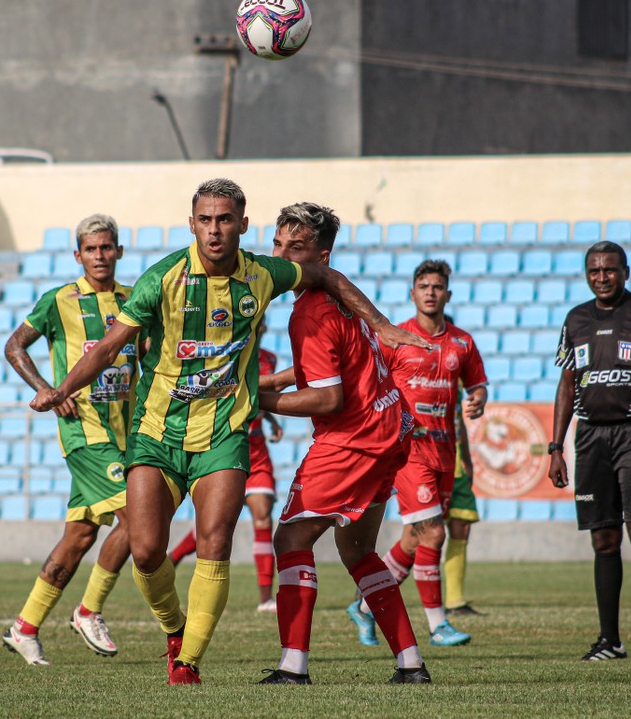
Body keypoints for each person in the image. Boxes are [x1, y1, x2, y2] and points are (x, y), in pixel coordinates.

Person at [29, 179, 427, 685]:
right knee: (149, 549)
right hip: (164, 432)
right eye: (205, 219)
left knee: (247, 541)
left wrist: (381, 324)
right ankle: (178, 628)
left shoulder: (281, 288)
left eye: (225, 220)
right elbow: (107, 349)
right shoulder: (165, 278)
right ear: (192, 223)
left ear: (242, 223)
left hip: (258, 437)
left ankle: (208, 663)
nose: (215, 230)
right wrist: (60, 389)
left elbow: (326, 314)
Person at [256, 202, 430, 686]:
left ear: (322, 256)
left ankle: (293, 667)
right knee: (357, 551)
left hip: (352, 440)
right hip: (390, 429)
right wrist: (269, 382)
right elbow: (325, 369)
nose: (283, 256)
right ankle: (410, 663)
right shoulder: (340, 299)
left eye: (298, 248)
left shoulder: (310, 311)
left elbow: (328, 396)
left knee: (290, 538)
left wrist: (257, 400)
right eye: (278, 244)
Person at [0, 214, 138, 665]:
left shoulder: (133, 300)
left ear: (118, 251)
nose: (100, 256)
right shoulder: (59, 301)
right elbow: (14, 345)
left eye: (107, 247)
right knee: (138, 520)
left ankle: (25, 627)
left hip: (127, 433)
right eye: (91, 249)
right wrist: (45, 388)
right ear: (78, 256)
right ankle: (89, 609)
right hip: (85, 431)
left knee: (79, 537)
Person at [548, 240, 631, 662]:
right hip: (590, 436)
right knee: (603, 537)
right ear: (586, 275)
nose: (601, 278)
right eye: (594, 271)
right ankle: (610, 640)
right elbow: (568, 386)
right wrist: (555, 447)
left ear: (626, 271)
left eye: (609, 270)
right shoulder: (575, 320)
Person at [346, 261, 488, 648]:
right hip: (408, 451)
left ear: (448, 295)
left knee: (414, 538)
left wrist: (477, 400)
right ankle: (438, 624)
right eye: (423, 286)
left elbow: (477, 386)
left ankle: (364, 605)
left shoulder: (463, 342)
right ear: (412, 293)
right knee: (434, 532)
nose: (430, 292)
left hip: (446, 451)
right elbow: (370, 383)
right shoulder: (395, 339)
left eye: (437, 286)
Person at [168, 317, 283, 612]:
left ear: (264, 329)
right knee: (215, 524)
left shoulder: (269, 358)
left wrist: (269, 419)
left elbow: (259, 396)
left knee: (262, 515)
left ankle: (265, 598)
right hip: (224, 446)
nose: (256, 330)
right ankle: (174, 557)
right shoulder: (224, 356)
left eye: (260, 326)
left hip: (256, 451)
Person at [443, 405, 486, 618]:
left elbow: (458, 422)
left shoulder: (455, 378)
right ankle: (371, 593)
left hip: (456, 466)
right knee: (420, 535)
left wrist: (467, 459)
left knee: (462, 527)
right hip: (428, 463)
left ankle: (455, 601)